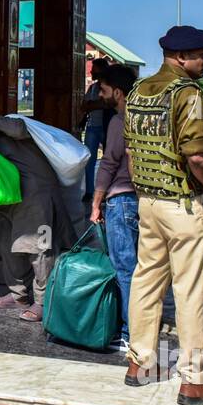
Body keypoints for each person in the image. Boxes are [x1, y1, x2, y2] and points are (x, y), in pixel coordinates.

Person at [122, 25, 203, 405]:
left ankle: (139, 363)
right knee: (192, 292)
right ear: (182, 58)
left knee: (146, 281)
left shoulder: (139, 91)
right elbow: (197, 155)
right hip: (183, 205)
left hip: (148, 201)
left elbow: (132, 151)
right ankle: (195, 381)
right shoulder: (187, 94)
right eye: (202, 56)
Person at [0, 98, 75, 323]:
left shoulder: (11, 123)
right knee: (9, 247)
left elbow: (20, 129)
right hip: (12, 200)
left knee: (41, 250)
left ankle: (43, 302)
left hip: (38, 198)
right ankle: (18, 295)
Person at [88, 63, 138, 354]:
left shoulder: (119, 121)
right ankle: (140, 326)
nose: (101, 95)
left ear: (118, 92)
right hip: (143, 201)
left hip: (120, 200)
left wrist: (96, 202)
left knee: (124, 269)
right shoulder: (144, 120)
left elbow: (108, 164)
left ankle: (129, 332)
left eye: (104, 90)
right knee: (141, 269)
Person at [80, 57, 112, 197]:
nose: (92, 72)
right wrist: (96, 104)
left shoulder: (108, 87)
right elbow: (84, 106)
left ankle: (106, 191)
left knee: (108, 161)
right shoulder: (93, 88)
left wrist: (92, 105)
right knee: (89, 160)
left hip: (107, 127)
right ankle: (89, 191)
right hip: (93, 126)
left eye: (94, 70)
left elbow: (105, 104)